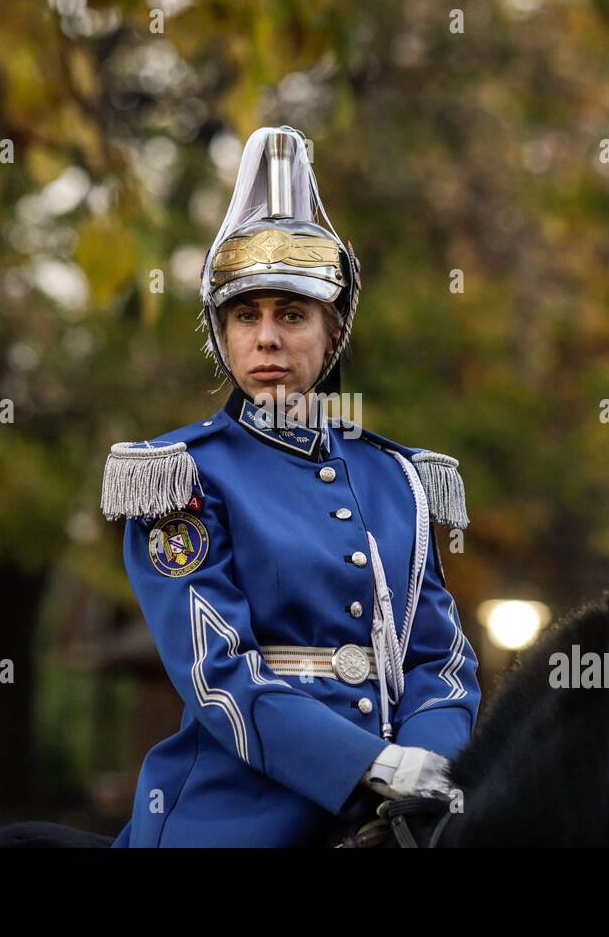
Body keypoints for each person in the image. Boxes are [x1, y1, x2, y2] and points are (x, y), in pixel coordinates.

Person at [100, 126, 480, 847]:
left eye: (292, 315)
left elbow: (443, 658)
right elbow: (216, 675)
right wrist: (367, 763)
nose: (268, 339)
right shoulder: (179, 476)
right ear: (222, 336)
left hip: (403, 808)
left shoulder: (400, 478)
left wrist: (430, 761)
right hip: (238, 807)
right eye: (246, 317)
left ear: (333, 335)